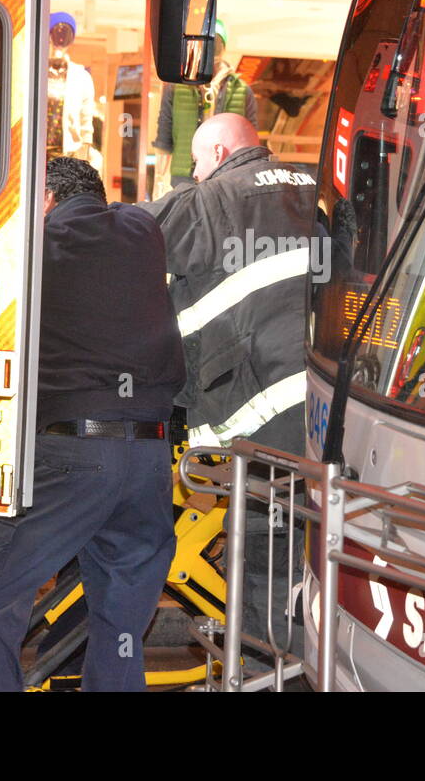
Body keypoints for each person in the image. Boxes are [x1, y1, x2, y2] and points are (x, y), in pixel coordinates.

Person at [0, 157, 184, 692]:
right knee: (122, 610)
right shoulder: (142, 232)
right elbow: (123, 212)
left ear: (48, 201)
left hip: (72, 453)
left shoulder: (40, 245)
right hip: (148, 453)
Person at [142, 112, 315, 668]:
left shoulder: (208, 201)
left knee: (263, 555)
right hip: (321, 413)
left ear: (217, 152)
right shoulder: (314, 190)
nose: (194, 172)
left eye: (195, 162)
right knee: (302, 552)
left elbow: (115, 237)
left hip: (255, 414)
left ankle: (263, 672)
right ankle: (292, 659)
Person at [152, 18, 257, 197]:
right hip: (184, 175)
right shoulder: (177, 87)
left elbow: (251, 143)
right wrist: (159, 181)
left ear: (223, 46)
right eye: (207, 42)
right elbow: (164, 137)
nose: (211, 48)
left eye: (215, 41)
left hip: (227, 176)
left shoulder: (241, 90)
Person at [45, 11, 99, 172]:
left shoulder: (81, 77)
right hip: (36, 150)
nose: (60, 38)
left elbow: (86, 120)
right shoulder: (35, 71)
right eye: (56, 32)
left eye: (66, 33)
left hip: (68, 153)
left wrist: (83, 159)